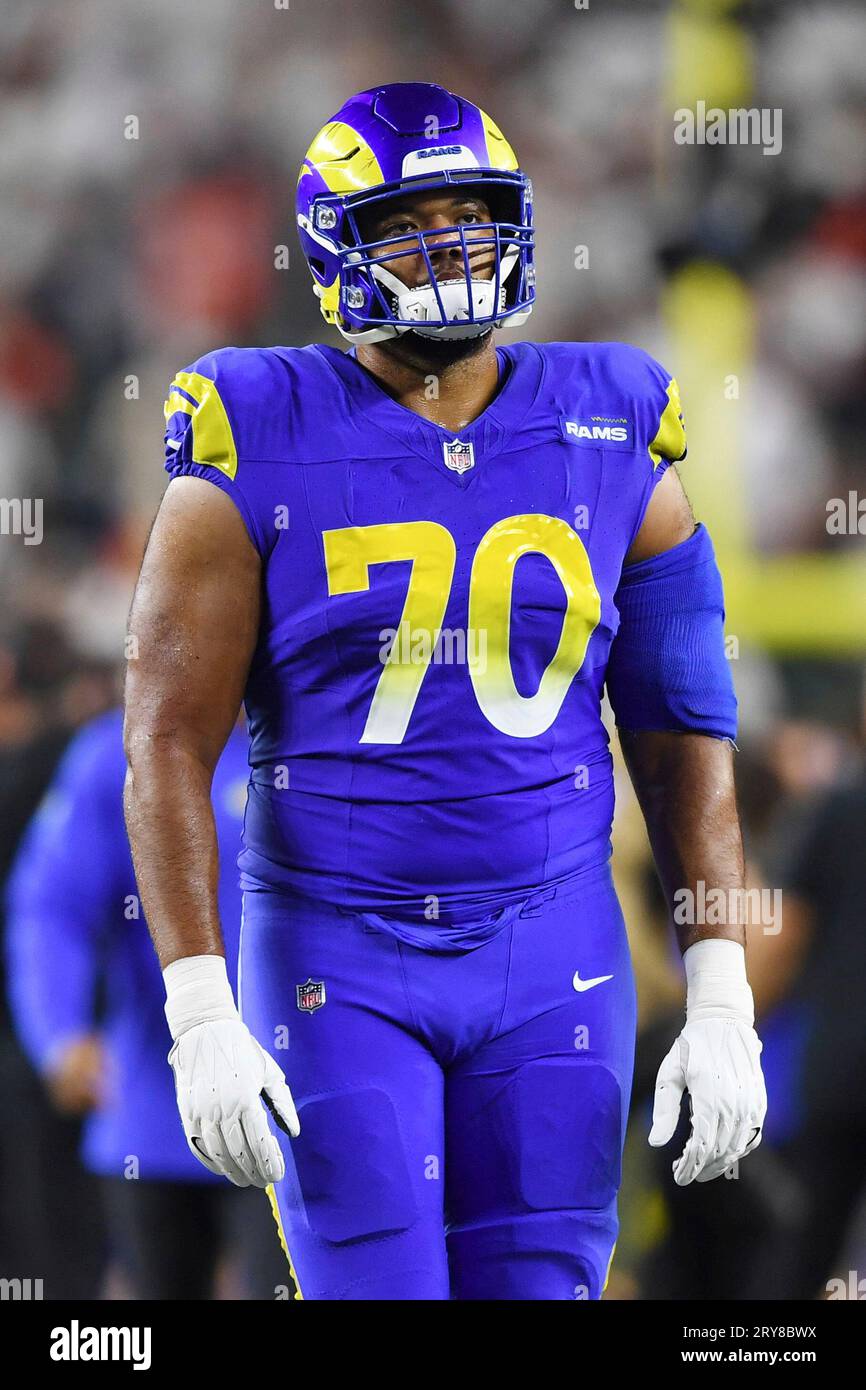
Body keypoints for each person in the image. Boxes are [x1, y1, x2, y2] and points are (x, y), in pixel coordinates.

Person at [123, 81, 766, 1301]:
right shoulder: (250, 427)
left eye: (475, 217)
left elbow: (683, 724)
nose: (453, 247)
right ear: (337, 246)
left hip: (557, 942)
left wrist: (721, 986)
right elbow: (162, 744)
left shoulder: (615, 416)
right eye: (414, 222)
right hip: (337, 949)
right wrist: (198, 1008)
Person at [7, 708, 288, 1299]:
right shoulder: (119, 753)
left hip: (292, 1108)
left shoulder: (323, 742)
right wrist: (60, 1031)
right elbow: (53, 907)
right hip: (152, 1112)